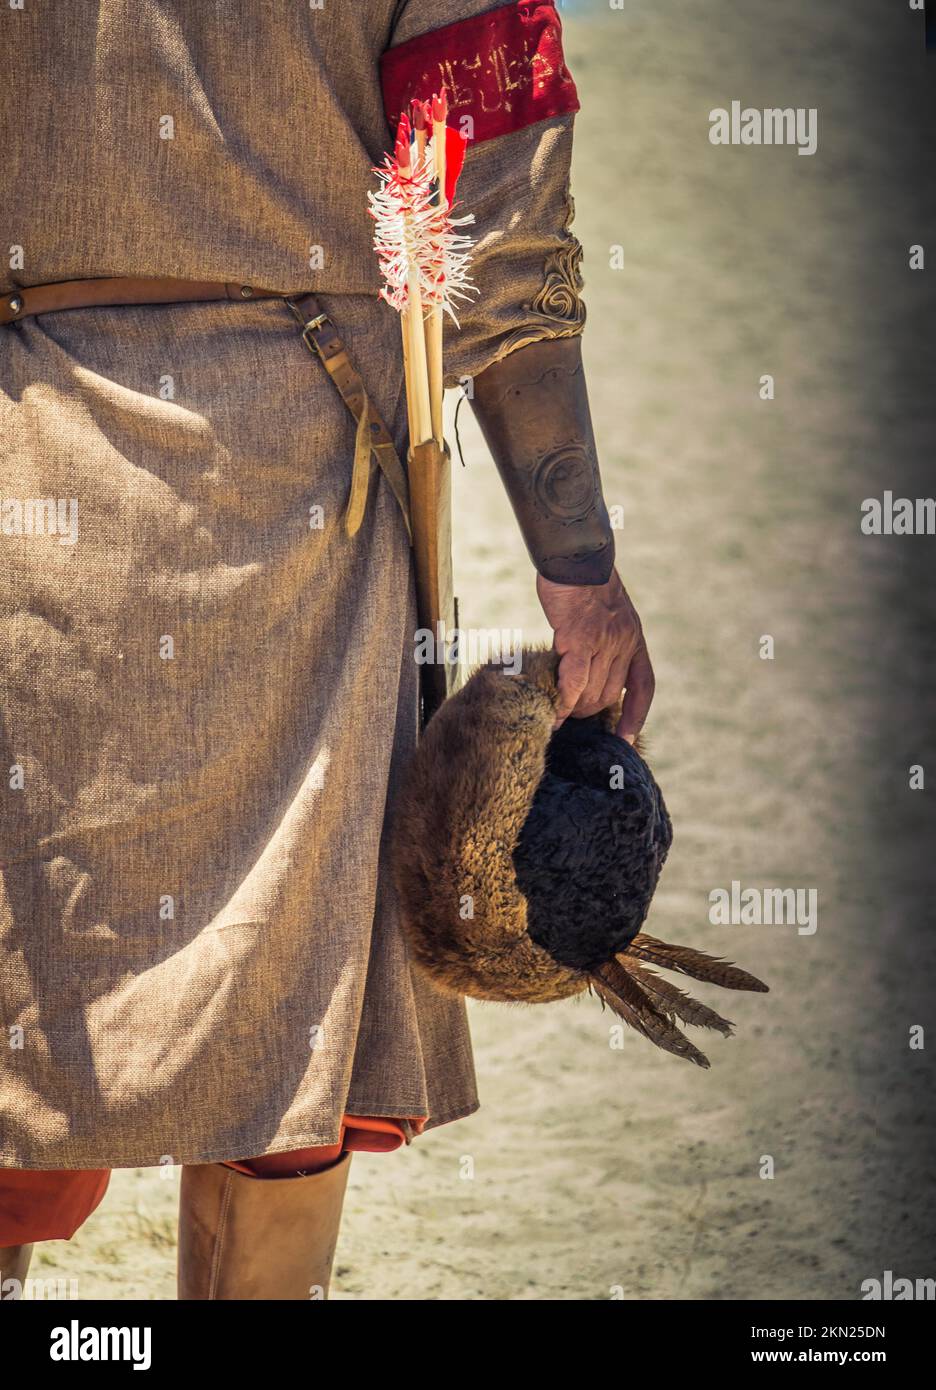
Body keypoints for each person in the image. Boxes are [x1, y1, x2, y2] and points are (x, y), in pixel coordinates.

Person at [0, 0, 653, 1299]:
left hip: (30, 477)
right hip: (299, 499)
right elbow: (503, 241)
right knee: (280, 1065)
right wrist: (579, 571)